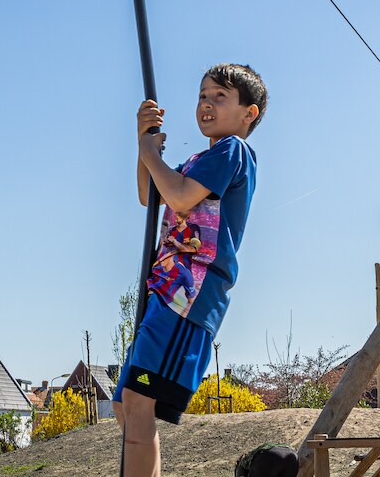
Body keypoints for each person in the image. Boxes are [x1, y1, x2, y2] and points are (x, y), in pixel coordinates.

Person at [114, 63, 267, 477]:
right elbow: (151, 194)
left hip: (191, 292)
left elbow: (179, 198)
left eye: (220, 96)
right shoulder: (202, 157)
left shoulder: (232, 151)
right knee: (125, 401)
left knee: (140, 402)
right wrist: (143, 145)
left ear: (248, 113)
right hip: (167, 289)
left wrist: (150, 155)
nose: (206, 104)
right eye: (203, 95)